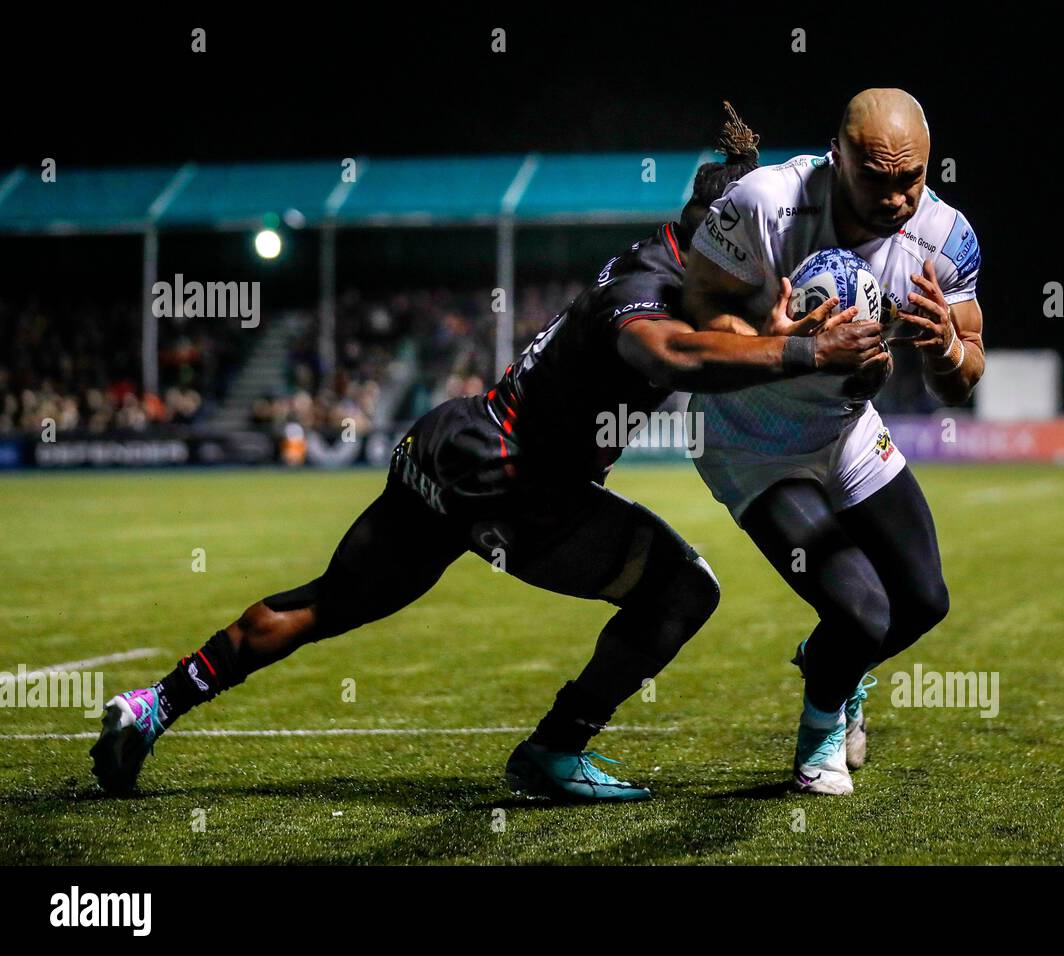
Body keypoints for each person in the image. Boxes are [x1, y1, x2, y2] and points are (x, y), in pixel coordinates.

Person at [91, 105, 887, 802]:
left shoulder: (673, 265)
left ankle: (154, 706)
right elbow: (675, 356)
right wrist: (808, 357)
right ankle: (555, 748)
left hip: (451, 443)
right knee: (683, 592)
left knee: (325, 603)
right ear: (724, 238)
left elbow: (722, 340)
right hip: (518, 484)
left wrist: (785, 327)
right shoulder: (646, 290)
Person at [682, 88, 986, 794]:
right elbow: (697, 317)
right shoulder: (765, 204)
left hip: (846, 430)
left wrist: (944, 348)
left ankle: (832, 663)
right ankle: (818, 746)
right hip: (749, 436)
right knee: (859, 608)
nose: (897, 198)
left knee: (923, 601)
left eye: (911, 178)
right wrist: (780, 343)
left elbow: (961, 379)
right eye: (876, 178)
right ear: (836, 156)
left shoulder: (944, 239)